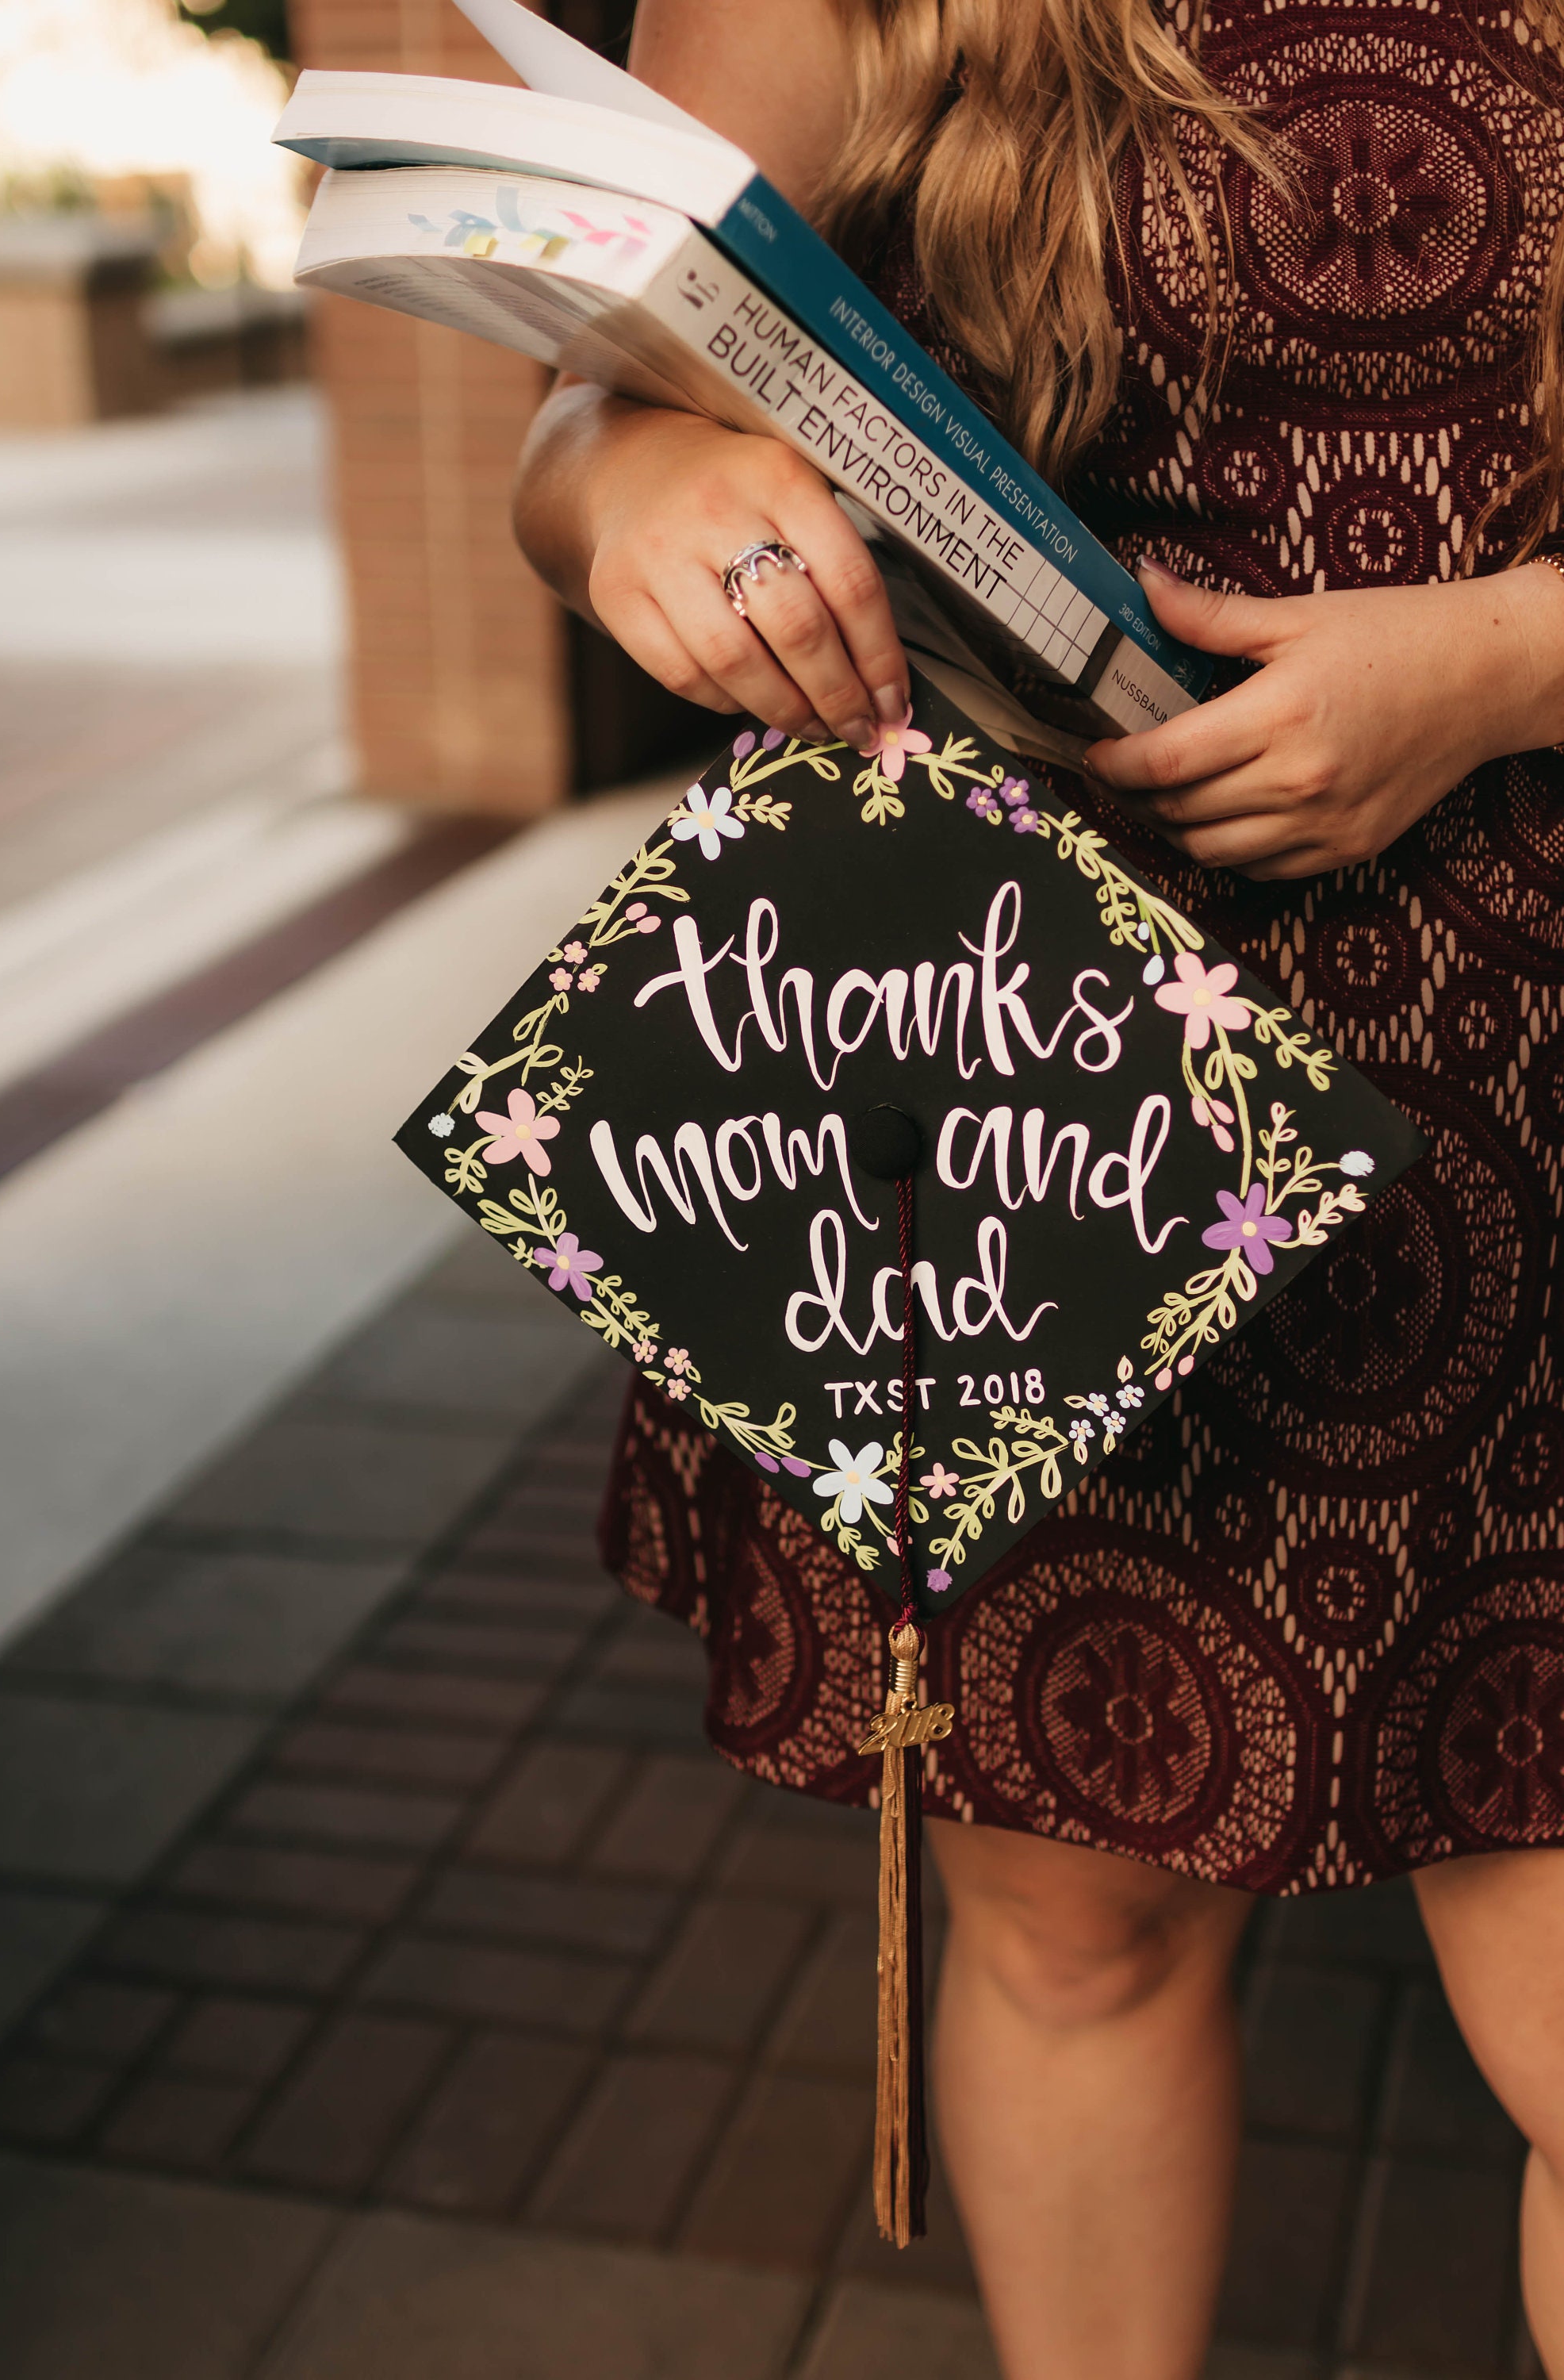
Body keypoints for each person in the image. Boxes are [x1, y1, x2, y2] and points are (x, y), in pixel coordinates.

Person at [514, 2, 1564, 2370]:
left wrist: (1507, 660)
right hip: (1007, 1058)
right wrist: (633, 496)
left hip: (1542, 1082)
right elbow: (590, 400)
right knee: (1078, 1939)